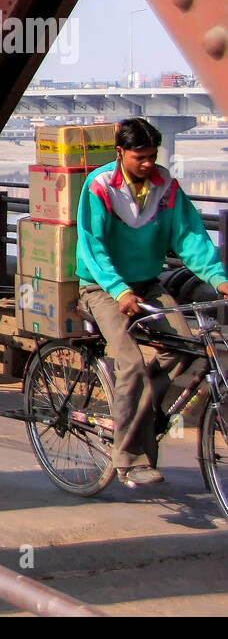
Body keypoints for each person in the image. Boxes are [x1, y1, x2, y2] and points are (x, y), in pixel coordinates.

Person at [76, 117, 228, 489]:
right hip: (103, 287)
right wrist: (119, 291)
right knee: (131, 364)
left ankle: (142, 414)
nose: (147, 164)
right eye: (139, 157)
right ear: (120, 153)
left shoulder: (167, 188)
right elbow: (91, 246)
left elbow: (191, 236)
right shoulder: (99, 187)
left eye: (152, 156)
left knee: (186, 347)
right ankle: (130, 458)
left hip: (147, 282)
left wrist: (219, 279)